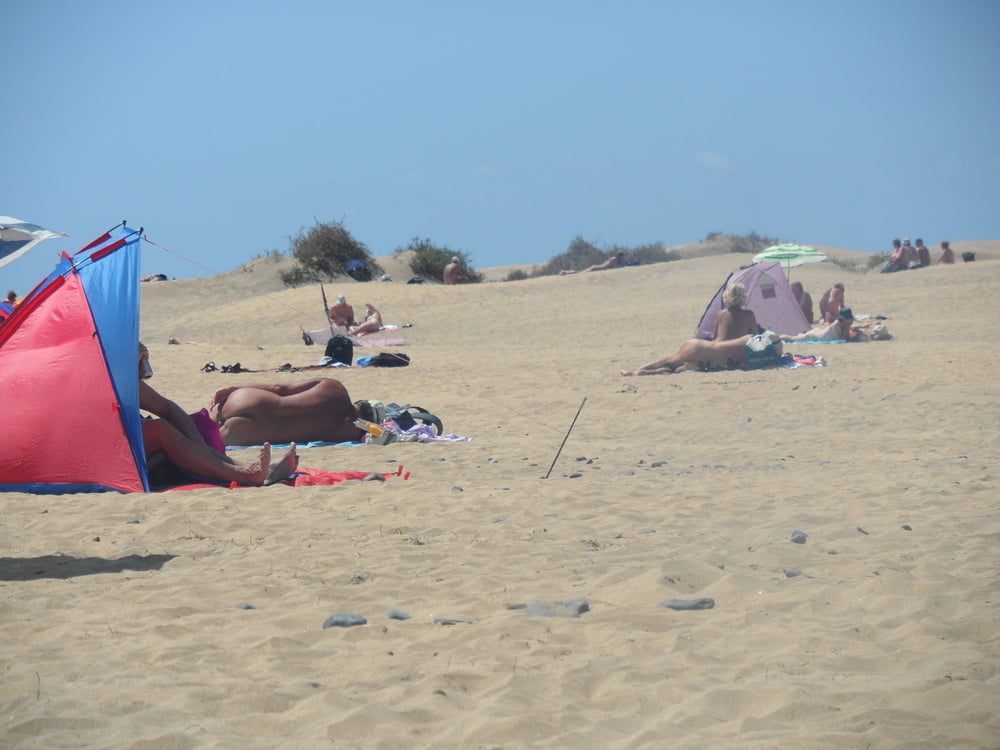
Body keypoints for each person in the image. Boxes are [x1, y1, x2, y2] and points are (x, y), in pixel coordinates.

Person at [138, 343, 298, 485]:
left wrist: (197, 441)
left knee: (189, 427)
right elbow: (280, 389)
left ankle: (251, 468)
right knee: (159, 429)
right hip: (119, 455)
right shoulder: (115, 384)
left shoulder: (129, 383)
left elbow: (167, 407)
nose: (142, 372)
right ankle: (243, 475)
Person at [209, 377, 380, 446]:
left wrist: (232, 388)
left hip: (248, 400)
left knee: (194, 421)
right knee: (198, 435)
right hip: (249, 432)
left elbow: (280, 388)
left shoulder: (335, 388)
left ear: (360, 401)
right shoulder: (348, 434)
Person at [621, 334, 761, 375]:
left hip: (700, 346)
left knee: (668, 361)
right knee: (675, 369)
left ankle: (635, 371)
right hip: (707, 361)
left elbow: (716, 336)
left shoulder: (722, 314)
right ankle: (648, 373)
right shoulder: (748, 348)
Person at [780, 308, 878, 343]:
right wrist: (851, 329)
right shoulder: (837, 325)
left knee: (797, 336)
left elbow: (851, 328)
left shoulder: (843, 323)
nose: (851, 321)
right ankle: (778, 337)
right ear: (844, 320)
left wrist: (862, 327)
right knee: (792, 339)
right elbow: (843, 338)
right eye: (849, 320)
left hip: (818, 331)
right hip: (815, 336)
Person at [561, 249, 627, 275]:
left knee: (580, 273)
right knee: (580, 273)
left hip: (597, 268)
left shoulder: (615, 260)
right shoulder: (614, 260)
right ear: (619, 256)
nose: (622, 258)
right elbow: (612, 267)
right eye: (622, 257)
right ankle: (567, 272)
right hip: (597, 269)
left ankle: (567, 272)